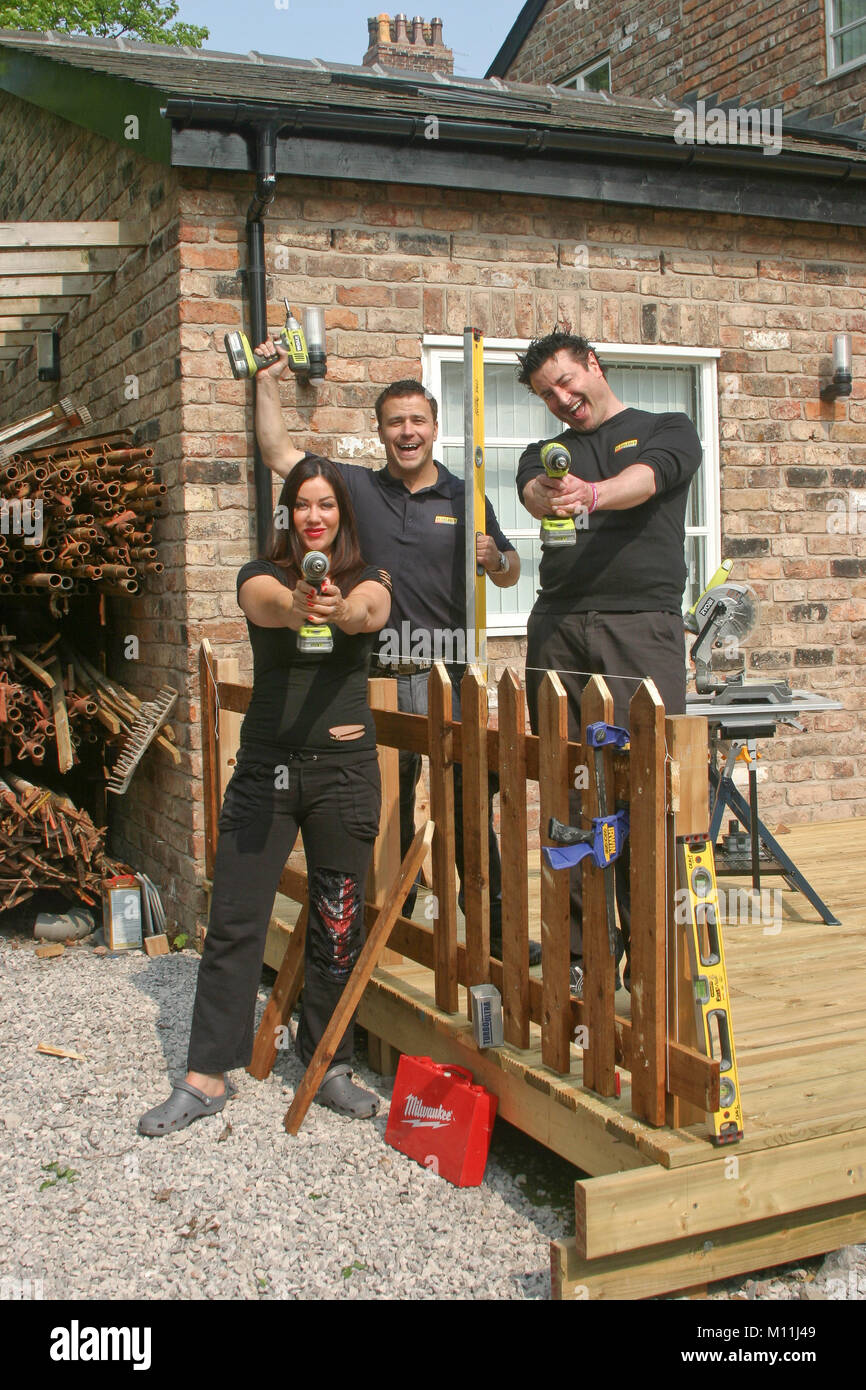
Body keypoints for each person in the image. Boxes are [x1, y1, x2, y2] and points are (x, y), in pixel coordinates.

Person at [255, 349, 539, 964]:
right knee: (382, 809)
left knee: (467, 808)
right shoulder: (355, 489)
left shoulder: (468, 496)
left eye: (417, 421)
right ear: (379, 430)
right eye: (394, 422)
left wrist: (494, 558)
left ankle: (492, 934)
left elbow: (513, 573)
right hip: (375, 676)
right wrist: (266, 382)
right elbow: (279, 454)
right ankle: (388, 927)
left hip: (449, 676)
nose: (406, 432)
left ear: (434, 427)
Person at [138, 457, 392, 1133]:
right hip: (267, 772)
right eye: (302, 504)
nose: (315, 516)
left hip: (343, 773)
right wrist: (304, 604)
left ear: (343, 514)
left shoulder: (369, 579)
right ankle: (205, 1074)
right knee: (236, 920)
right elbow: (270, 607)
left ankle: (326, 1061)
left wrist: (341, 610)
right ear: (287, 514)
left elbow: (370, 614)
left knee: (338, 924)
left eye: (327, 505)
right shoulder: (262, 576)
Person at [515, 331, 702, 997]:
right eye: (546, 395)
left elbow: (647, 480)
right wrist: (549, 492)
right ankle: (571, 952)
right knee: (564, 787)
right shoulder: (544, 453)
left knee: (643, 789)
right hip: (558, 626)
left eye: (568, 382)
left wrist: (590, 496)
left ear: (593, 365)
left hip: (640, 626)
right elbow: (533, 490)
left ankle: (648, 955)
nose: (561, 400)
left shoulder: (666, 427)